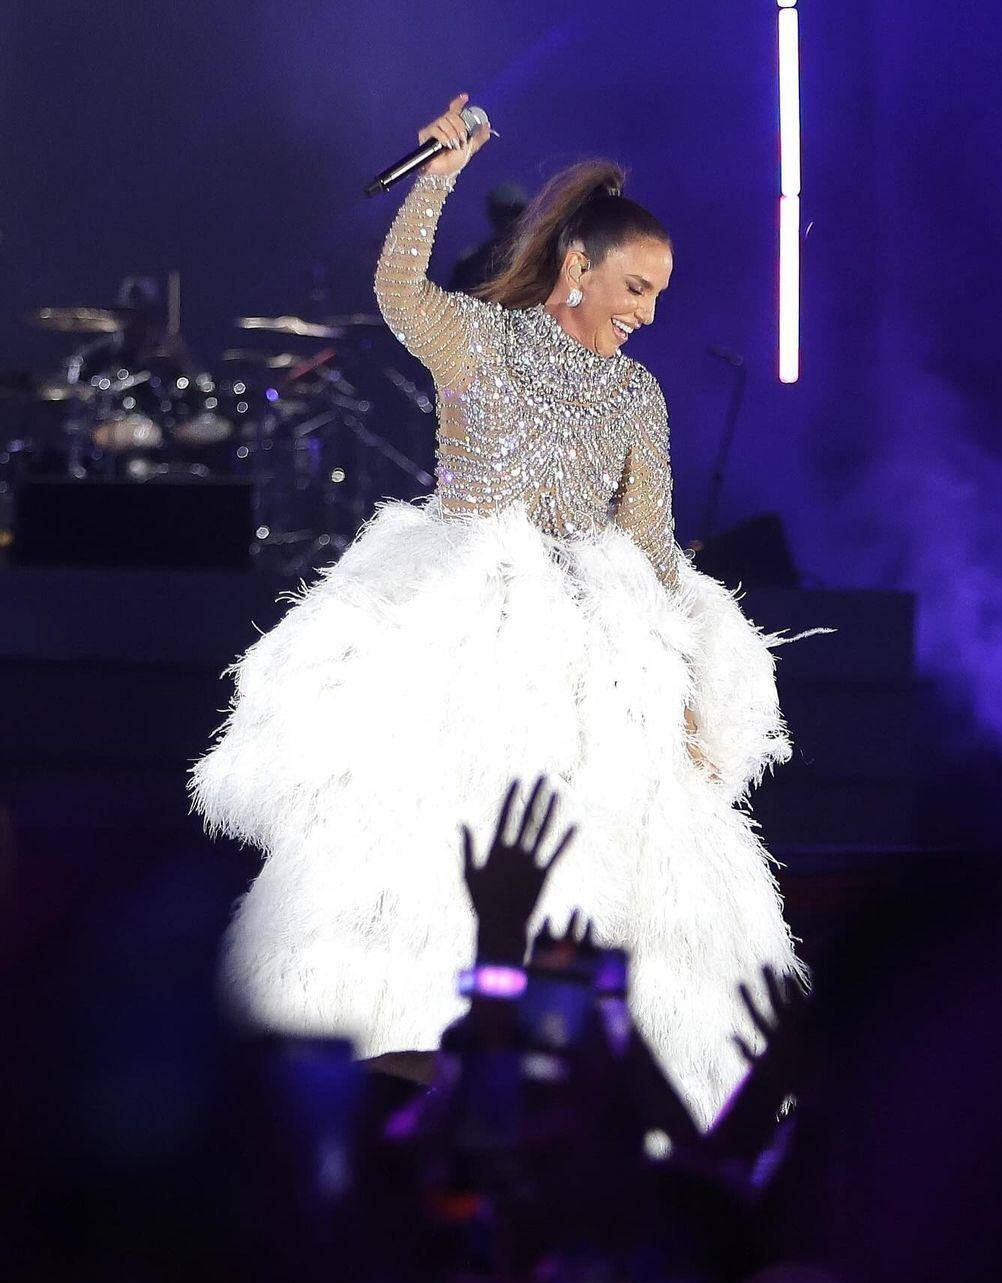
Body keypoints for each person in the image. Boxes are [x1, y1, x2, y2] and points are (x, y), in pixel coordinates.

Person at [191, 92, 808, 1129]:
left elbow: (652, 546)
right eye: (635, 286)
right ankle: (393, 1095)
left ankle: (570, 1102)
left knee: (605, 878)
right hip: (463, 630)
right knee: (421, 858)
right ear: (577, 264)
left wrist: (692, 681)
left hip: (591, 653)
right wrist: (438, 172)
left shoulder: (637, 394)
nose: (648, 312)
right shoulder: (477, 340)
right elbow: (395, 287)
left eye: (660, 294)